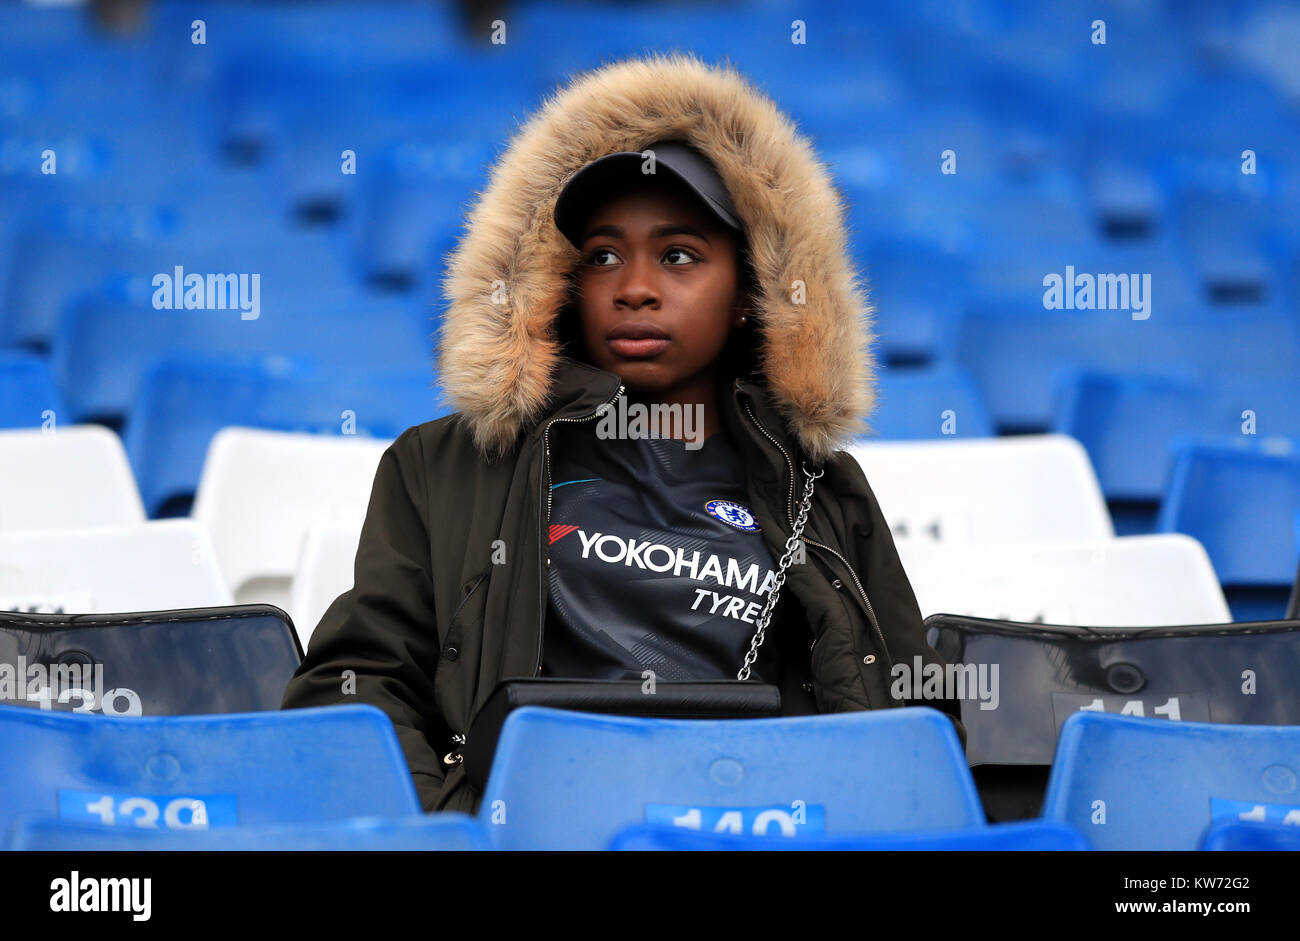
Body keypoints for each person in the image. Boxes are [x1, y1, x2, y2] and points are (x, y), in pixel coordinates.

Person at [282, 53, 964, 814]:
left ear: (749, 290)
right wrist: (460, 825)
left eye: (679, 255)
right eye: (602, 255)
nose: (634, 288)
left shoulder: (822, 489)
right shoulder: (442, 467)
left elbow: (917, 720)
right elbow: (352, 689)